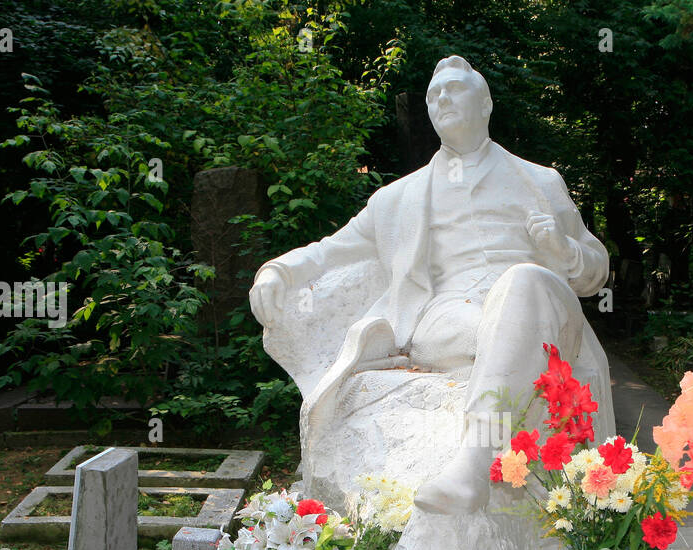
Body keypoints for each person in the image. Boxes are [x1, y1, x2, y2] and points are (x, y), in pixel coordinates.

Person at [249, 55, 611, 517]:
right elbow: (329, 250)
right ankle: (476, 467)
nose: (441, 98)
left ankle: (472, 466)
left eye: (454, 89)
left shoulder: (540, 181)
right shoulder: (399, 198)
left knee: (523, 280)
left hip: (542, 313)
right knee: (514, 295)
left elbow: (594, 271)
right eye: (433, 95)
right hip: (451, 320)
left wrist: (564, 253)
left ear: (485, 105)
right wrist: (277, 271)